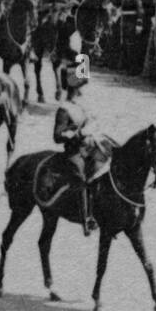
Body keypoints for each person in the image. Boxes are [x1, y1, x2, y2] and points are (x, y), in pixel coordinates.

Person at [53, 64, 101, 235]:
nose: (81, 91)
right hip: (74, 151)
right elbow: (57, 135)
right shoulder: (65, 109)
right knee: (81, 177)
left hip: (90, 146)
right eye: (78, 87)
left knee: (104, 165)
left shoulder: (84, 103)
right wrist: (77, 133)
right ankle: (86, 218)